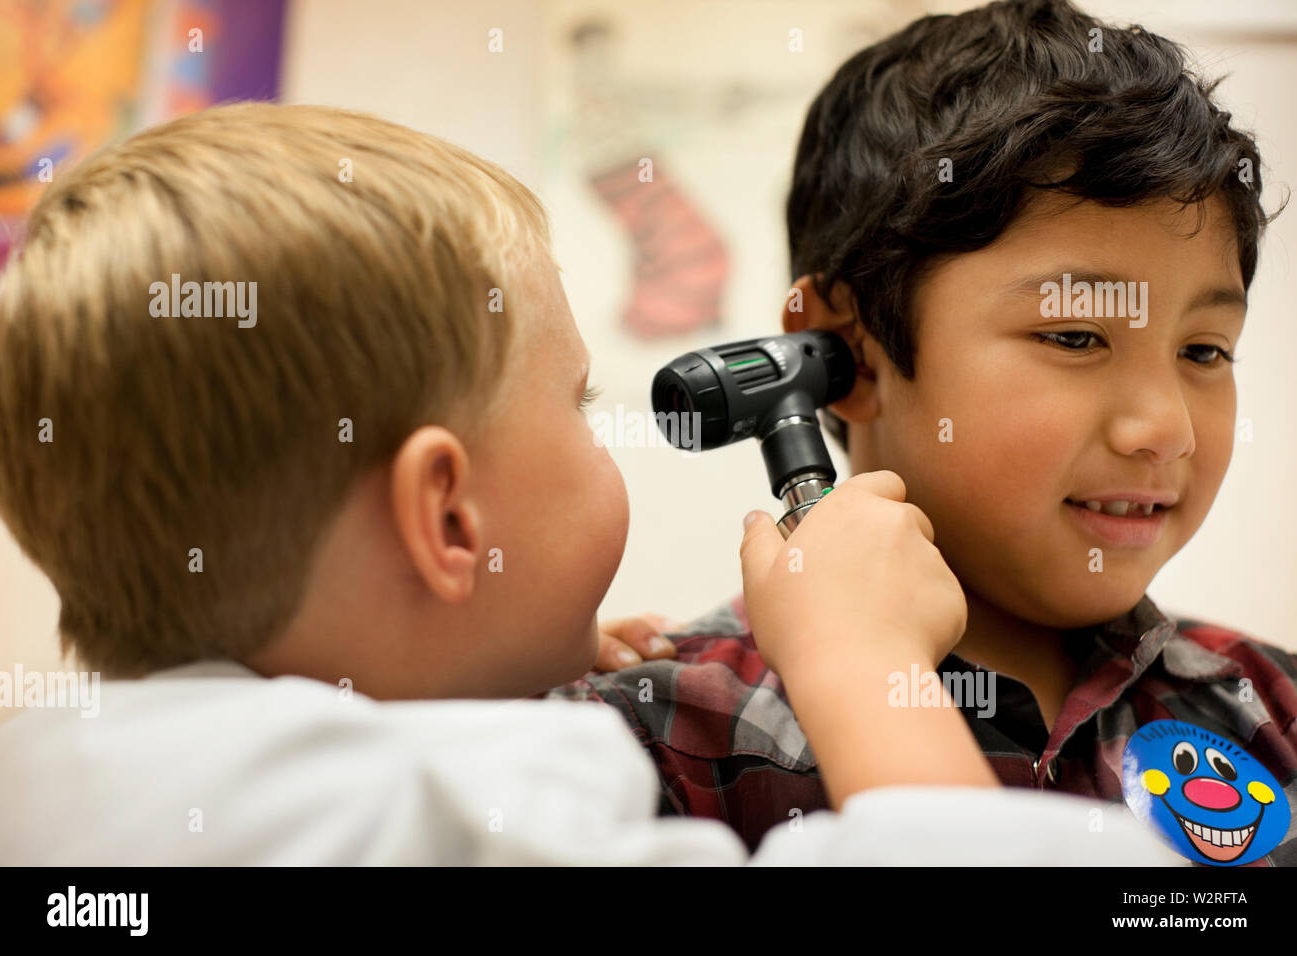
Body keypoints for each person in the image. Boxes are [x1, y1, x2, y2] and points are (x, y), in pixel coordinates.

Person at [0, 100, 1180, 865]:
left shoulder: (61, 790)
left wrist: (489, 659)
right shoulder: (497, 811)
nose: (1156, 421)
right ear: (450, 518)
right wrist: (864, 666)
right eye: (573, 404)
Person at [555, 0, 1297, 867]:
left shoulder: (1274, 711)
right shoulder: (641, 746)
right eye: (1074, 337)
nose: (1163, 428)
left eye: (1205, 349)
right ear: (851, 350)